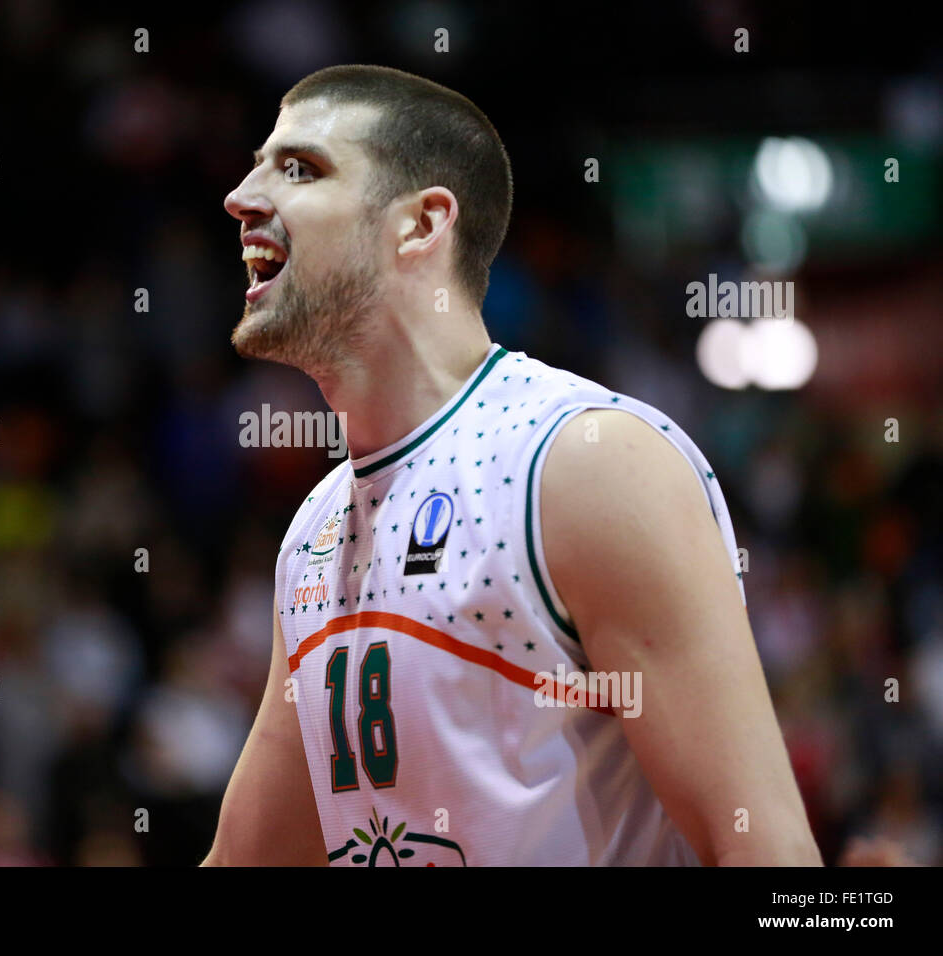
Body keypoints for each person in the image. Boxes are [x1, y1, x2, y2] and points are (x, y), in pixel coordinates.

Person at [202, 64, 820, 866]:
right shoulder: (316, 531)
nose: (242, 196)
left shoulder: (582, 464)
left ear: (421, 225)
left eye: (298, 169)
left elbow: (765, 856)